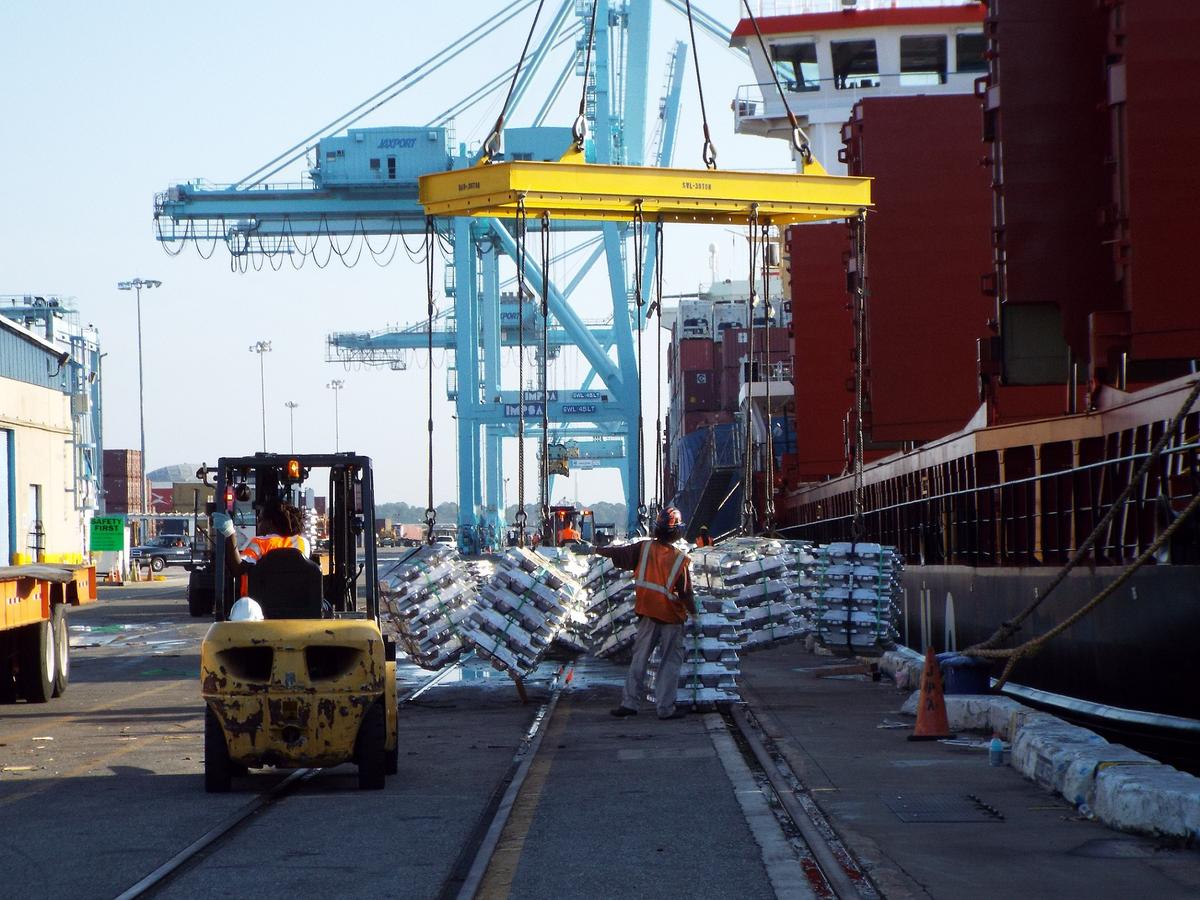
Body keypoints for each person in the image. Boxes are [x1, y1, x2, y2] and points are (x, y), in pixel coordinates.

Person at [595, 506, 695, 720]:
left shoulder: (644, 549)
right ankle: (666, 709)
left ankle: (629, 704)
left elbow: (618, 553)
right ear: (677, 532)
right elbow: (686, 592)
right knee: (669, 662)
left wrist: (595, 549)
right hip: (671, 617)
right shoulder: (679, 559)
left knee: (639, 659)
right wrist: (694, 614)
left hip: (648, 612)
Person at [212, 497, 309, 589]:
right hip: (297, 603)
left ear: (269, 523)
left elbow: (237, 568)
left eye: (259, 520)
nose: (258, 524)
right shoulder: (303, 543)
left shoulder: (260, 543)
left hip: (260, 603)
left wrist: (229, 533)